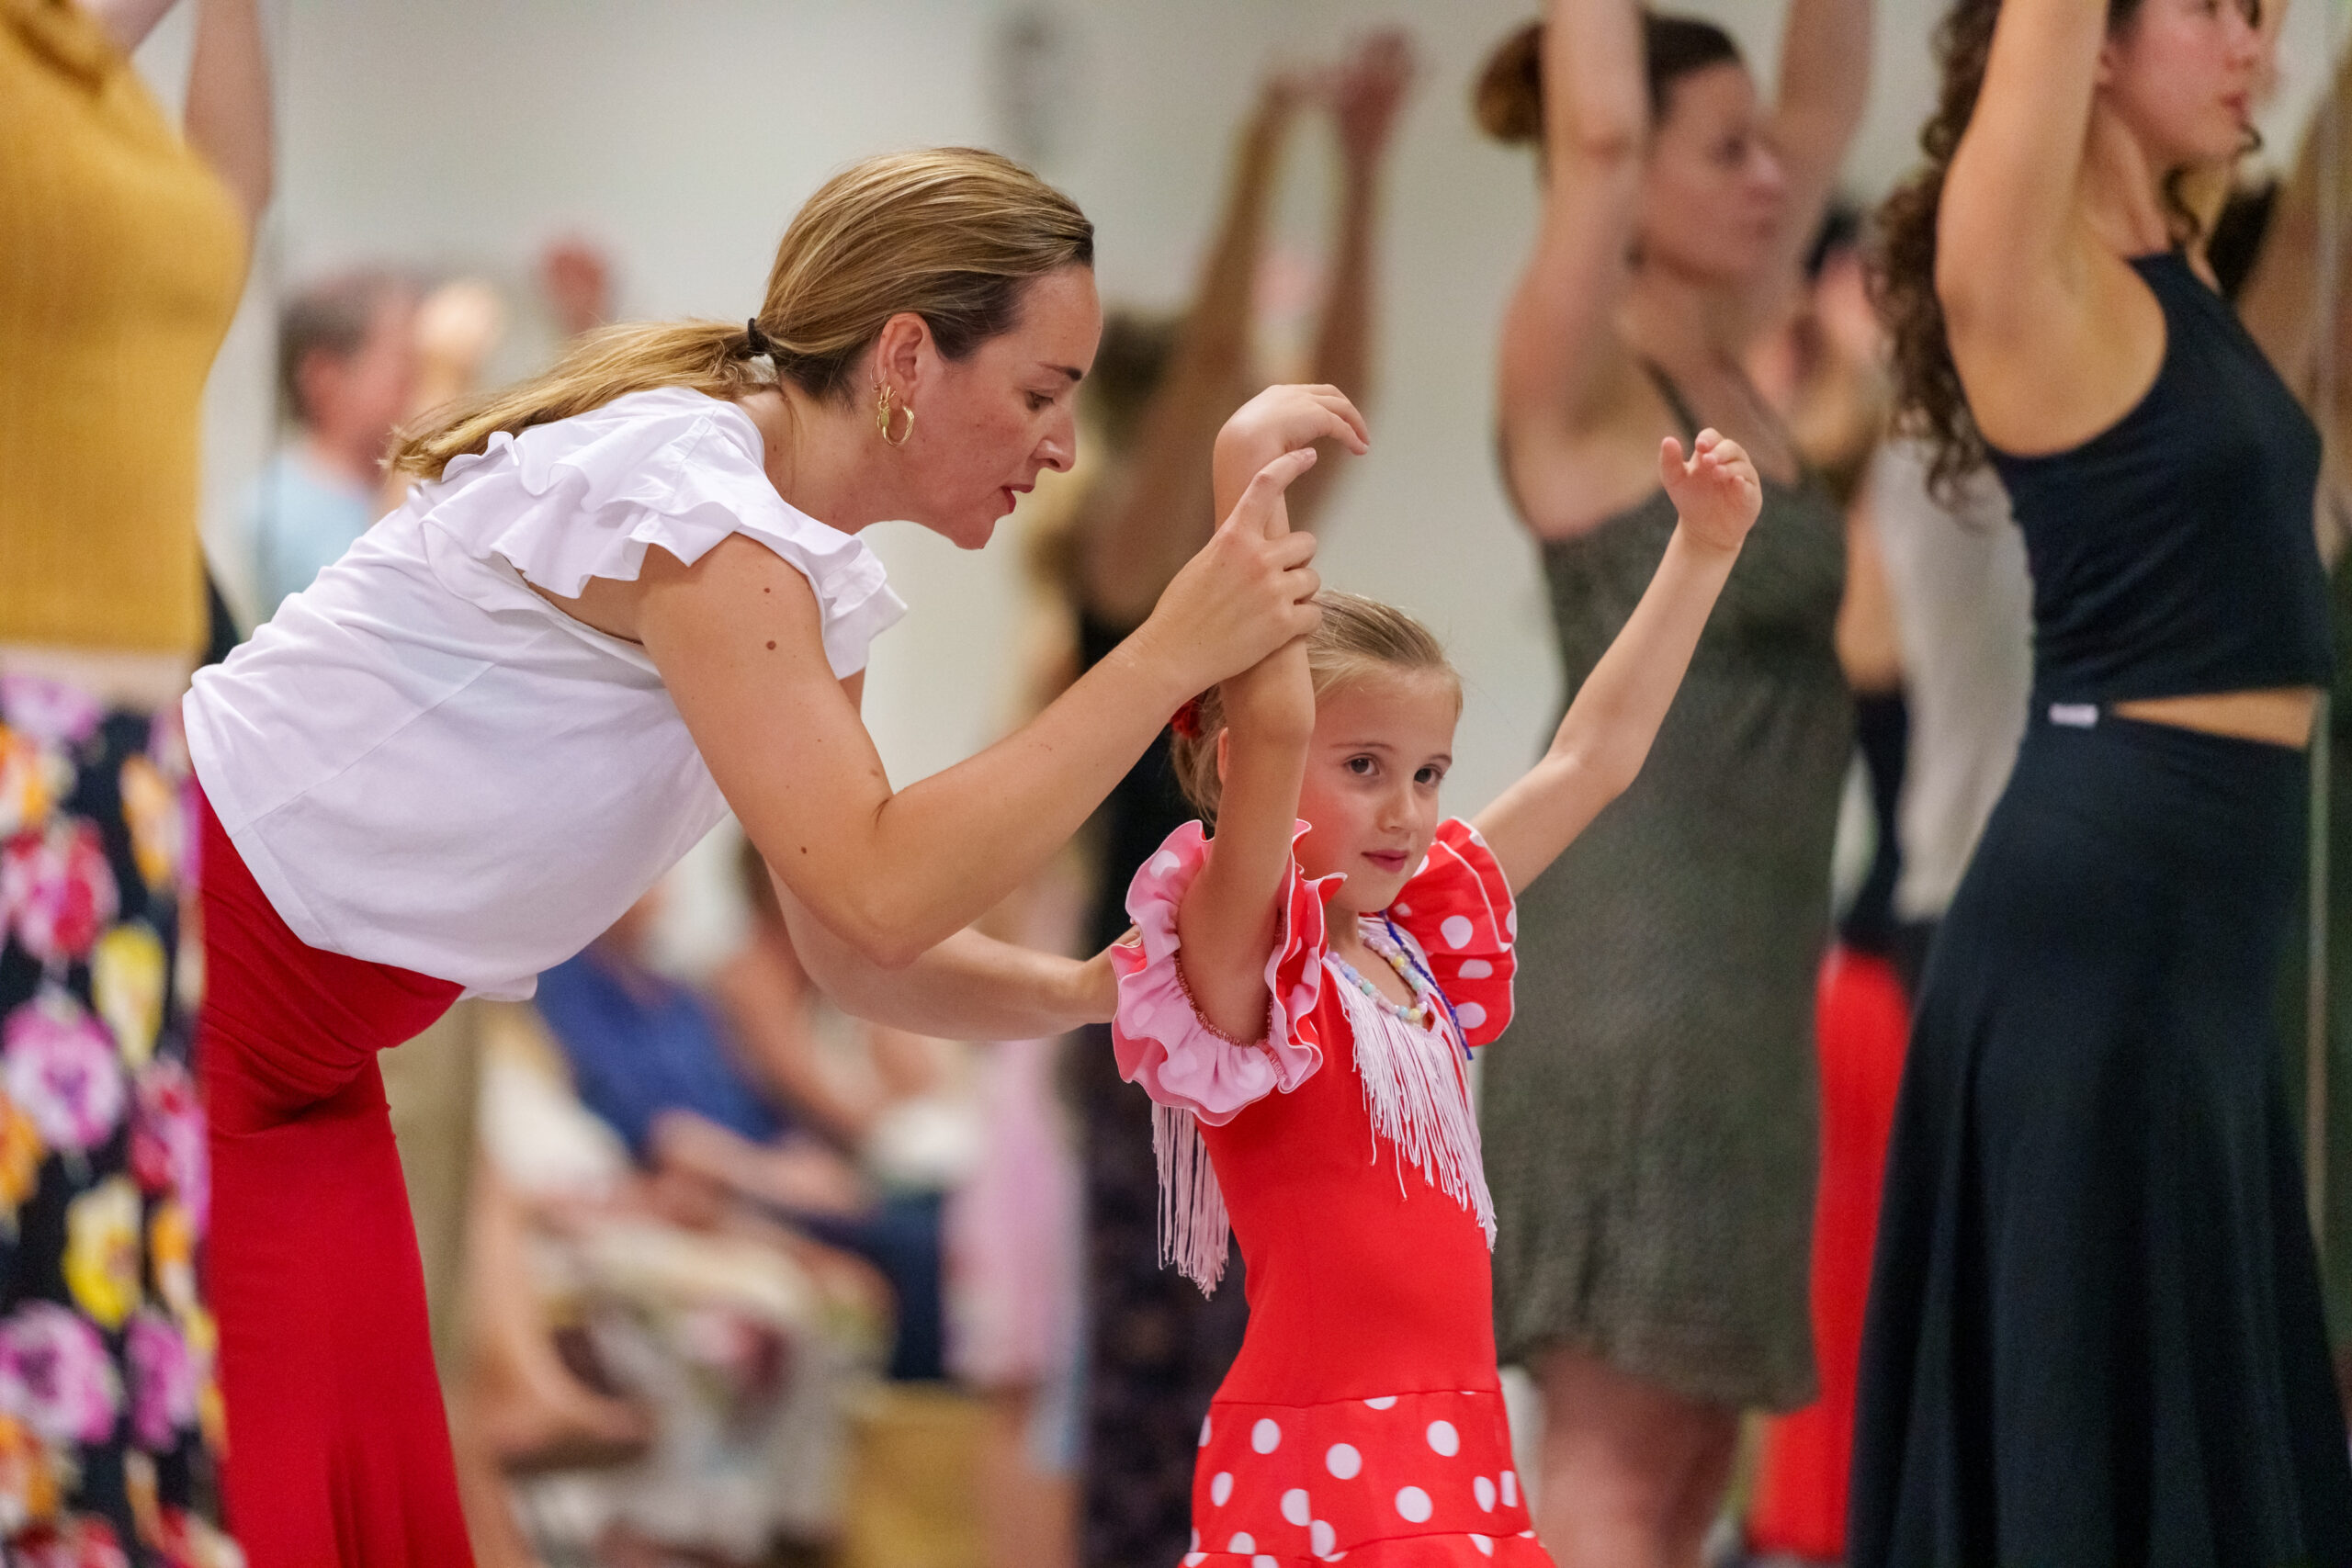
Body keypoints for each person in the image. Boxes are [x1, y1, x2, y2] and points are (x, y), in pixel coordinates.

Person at [182, 148, 1354, 1567]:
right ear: (908, 355)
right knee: (266, 1509)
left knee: (375, 1508)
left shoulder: (797, 560)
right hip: (196, 980)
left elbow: (854, 949)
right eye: (1043, 392)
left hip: (312, 1047)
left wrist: (1108, 989)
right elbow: (879, 882)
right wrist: (1166, 644)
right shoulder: (702, 504)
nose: (1059, 445)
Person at [1851, 0, 2352, 1552]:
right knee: (2090, 1418)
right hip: (2099, 922)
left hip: (2203, 927)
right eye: (2218, 12)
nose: (2258, 48)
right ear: (2091, 47)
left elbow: (2320, 216)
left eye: (2271, 16)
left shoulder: (2184, 267)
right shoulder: (2022, 271)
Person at [1109, 385, 1762, 1566]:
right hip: (1324, 1449)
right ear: (1220, 759)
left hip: (1453, 1440)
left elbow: (1590, 757)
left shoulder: (1418, 936)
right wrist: (1240, 476)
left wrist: (1700, 553)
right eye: (1362, 765)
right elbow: (1265, 735)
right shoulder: (1246, 947)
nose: (1405, 811)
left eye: (1427, 774)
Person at [1471, 0, 1870, 1557]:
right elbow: (1600, 131)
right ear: (1630, 187)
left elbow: (1831, 88)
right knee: (1622, 1470)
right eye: (1727, 153)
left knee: (1695, 1463)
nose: (1772, 177)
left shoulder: (1728, 334)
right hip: (1635, 982)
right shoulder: (1581, 370)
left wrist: (1792, 109)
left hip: (1744, 989)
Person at [1059, 38, 1411, 1567]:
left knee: (1271, 1372)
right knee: (1157, 1384)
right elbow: (1222, 364)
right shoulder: (1133, 565)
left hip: (1267, 1010)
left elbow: (1348, 389)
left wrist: (1371, 160)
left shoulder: (1259, 569)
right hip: (1148, 1027)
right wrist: (1265, 136)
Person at [0, 0, 268, 1558]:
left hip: (116, 778)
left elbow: (226, 201)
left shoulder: (78, 89)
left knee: (101, 1257)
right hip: (28, 770)